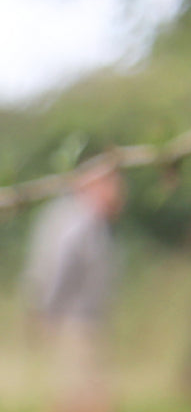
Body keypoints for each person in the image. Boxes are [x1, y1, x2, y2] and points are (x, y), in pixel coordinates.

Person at [23, 158, 125, 412]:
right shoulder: (80, 221)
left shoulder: (83, 218)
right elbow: (60, 268)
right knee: (83, 394)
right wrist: (49, 310)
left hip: (82, 318)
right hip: (75, 318)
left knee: (79, 390)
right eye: (112, 184)